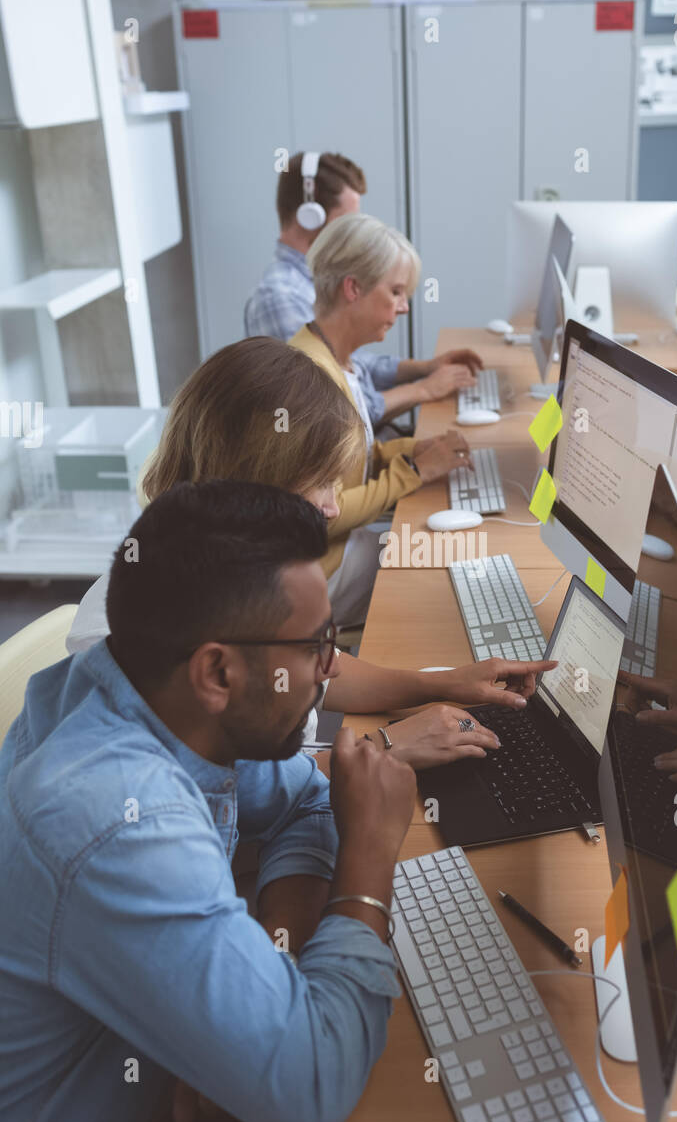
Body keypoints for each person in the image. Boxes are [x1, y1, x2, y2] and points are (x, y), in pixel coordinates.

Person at [0, 481, 418, 1122]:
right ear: (218, 672)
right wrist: (369, 860)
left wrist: (268, 954)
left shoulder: (152, 697)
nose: (329, 669)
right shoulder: (119, 819)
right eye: (317, 645)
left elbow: (306, 802)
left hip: (149, 1104)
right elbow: (310, 1084)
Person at [65, 339, 555, 767]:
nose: (333, 507)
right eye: (320, 484)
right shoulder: (144, 643)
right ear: (257, 481)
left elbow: (321, 674)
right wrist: (385, 746)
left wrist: (445, 683)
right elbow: (241, 806)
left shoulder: (237, 571)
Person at [293, 213, 479, 623]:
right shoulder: (311, 378)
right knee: (451, 567)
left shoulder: (338, 360)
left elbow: (351, 460)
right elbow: (320, 516)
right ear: (353, 288)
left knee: (462, 549)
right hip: (322, 573)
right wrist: (413, 469)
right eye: (396, 292)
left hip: (347, 545)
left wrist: (417, 448)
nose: (404, 307)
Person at [244, 150, 482, 429]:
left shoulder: (314, 282)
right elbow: (333, 411)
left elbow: (356, 364)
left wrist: (424, 368)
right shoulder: (279, 297)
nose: (356, 229)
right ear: (310, 216)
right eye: (348, 219)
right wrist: (425, 389)